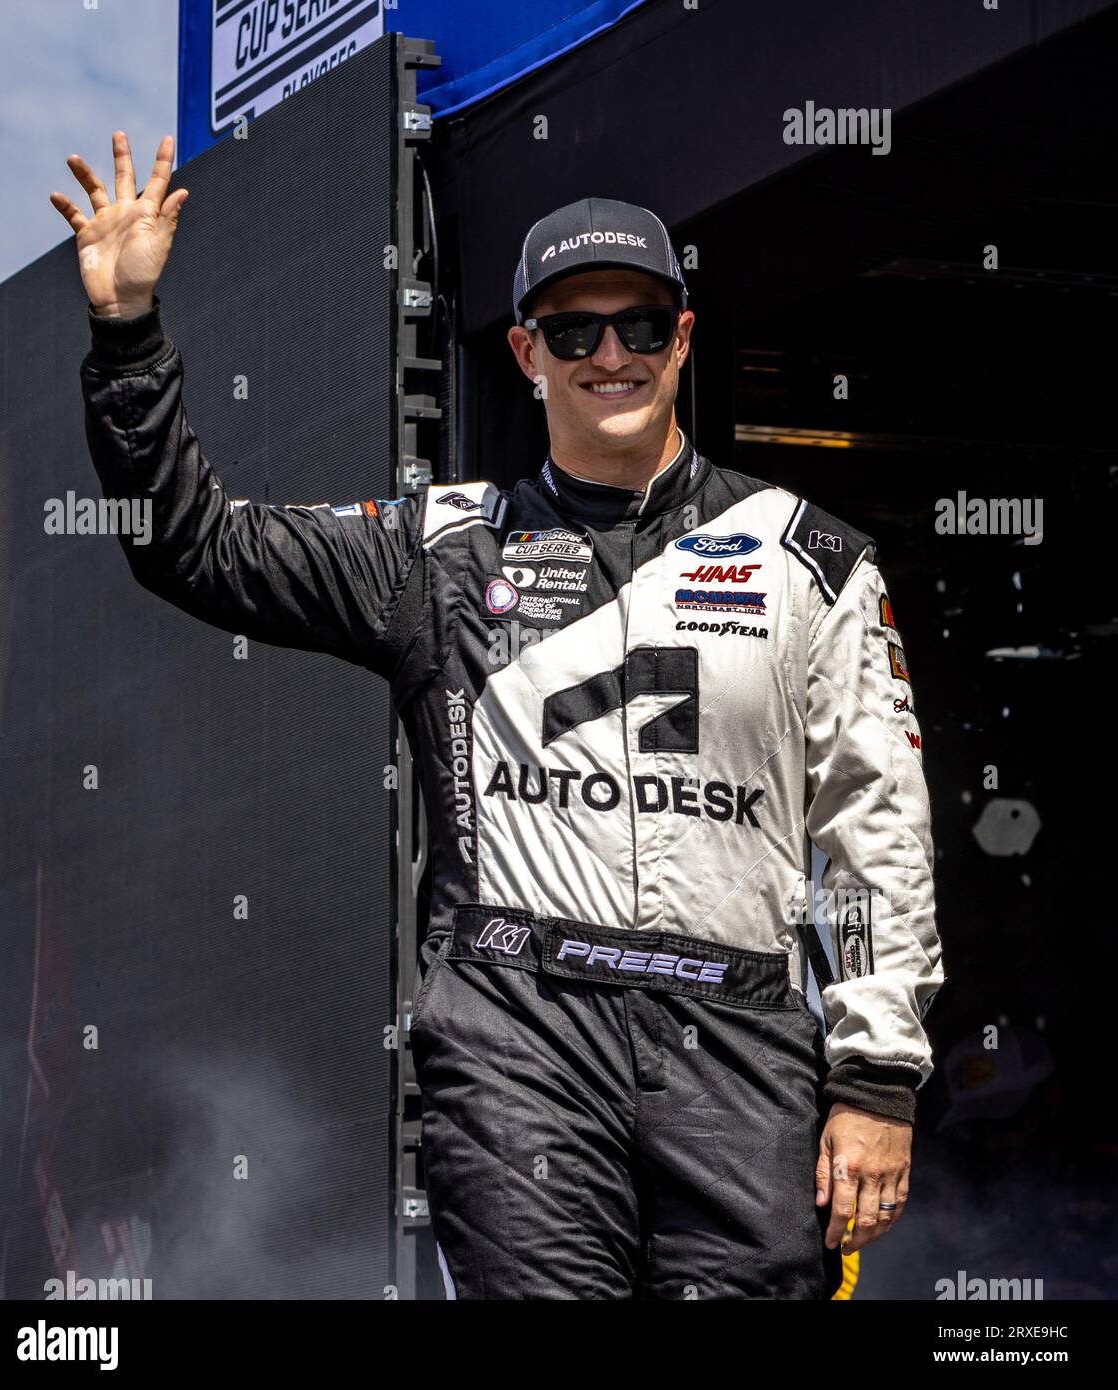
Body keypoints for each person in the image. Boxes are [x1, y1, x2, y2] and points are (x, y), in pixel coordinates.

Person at [52, 133, 944, 1301]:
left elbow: (872, 829)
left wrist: (874, 1079)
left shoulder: (808, 557)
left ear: (683, 337)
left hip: (741, 1045)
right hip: (518, 1034)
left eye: (636, 324)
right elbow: (196, 546)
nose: (606, 354)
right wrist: (128, 336)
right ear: (525, 351)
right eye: (572, 330)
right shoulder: (441, 545)